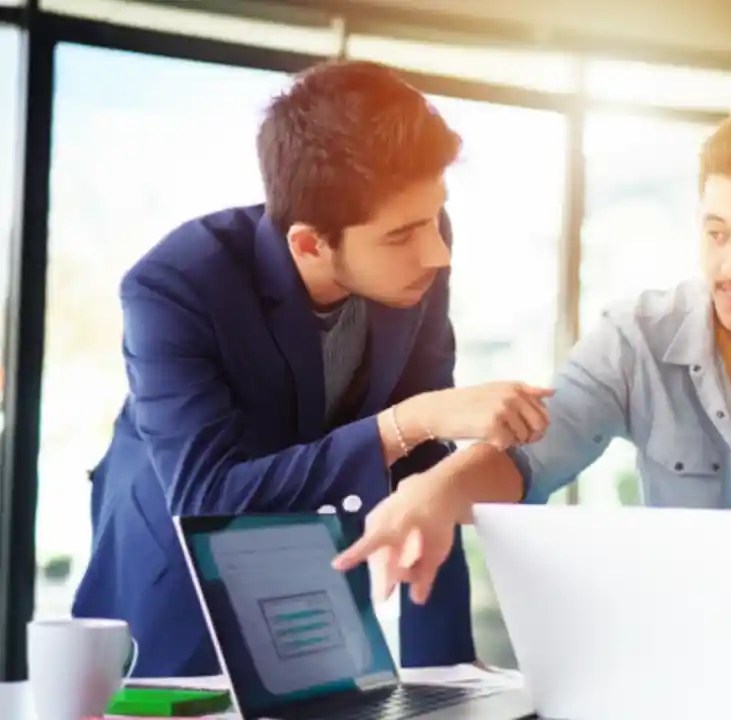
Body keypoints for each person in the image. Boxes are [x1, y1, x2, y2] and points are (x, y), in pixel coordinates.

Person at [334, 101, 731, 700]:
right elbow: (527, 459)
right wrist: (430, 497)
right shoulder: (637, 339)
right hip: (665, 688)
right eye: (717, 232)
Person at [73, 60, 552, 677]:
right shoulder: (176, 284)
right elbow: (206, 496)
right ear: (308, 244)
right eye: (403, 233)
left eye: (435, 217)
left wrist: (447, 665)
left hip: (315, 589)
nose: (435, 250)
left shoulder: (416, 250)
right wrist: (409, 419)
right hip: (174, 587)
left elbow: (424, 471)